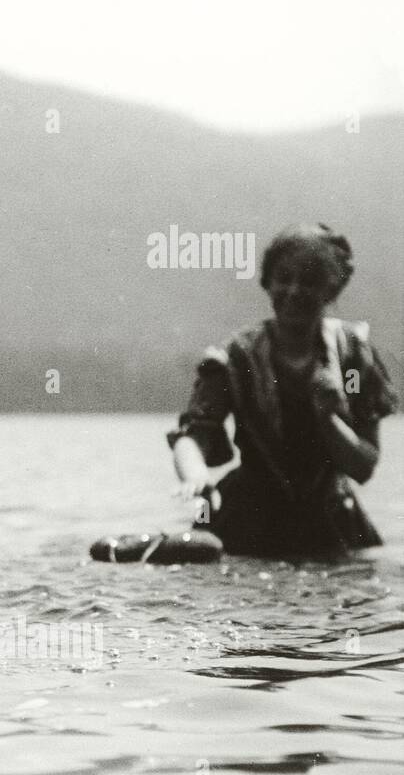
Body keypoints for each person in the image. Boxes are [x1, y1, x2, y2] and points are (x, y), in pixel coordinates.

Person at [169, 222, 397, 557]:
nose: (294, 290)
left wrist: (330, 418)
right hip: (248, 514)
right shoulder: (235, 356)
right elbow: (194, 436)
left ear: (331, 289)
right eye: (284, 278)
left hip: (330, 515)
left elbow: (363, 466)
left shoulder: (352, 358)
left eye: (310, 280)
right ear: (267, 282)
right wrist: (196, 475)